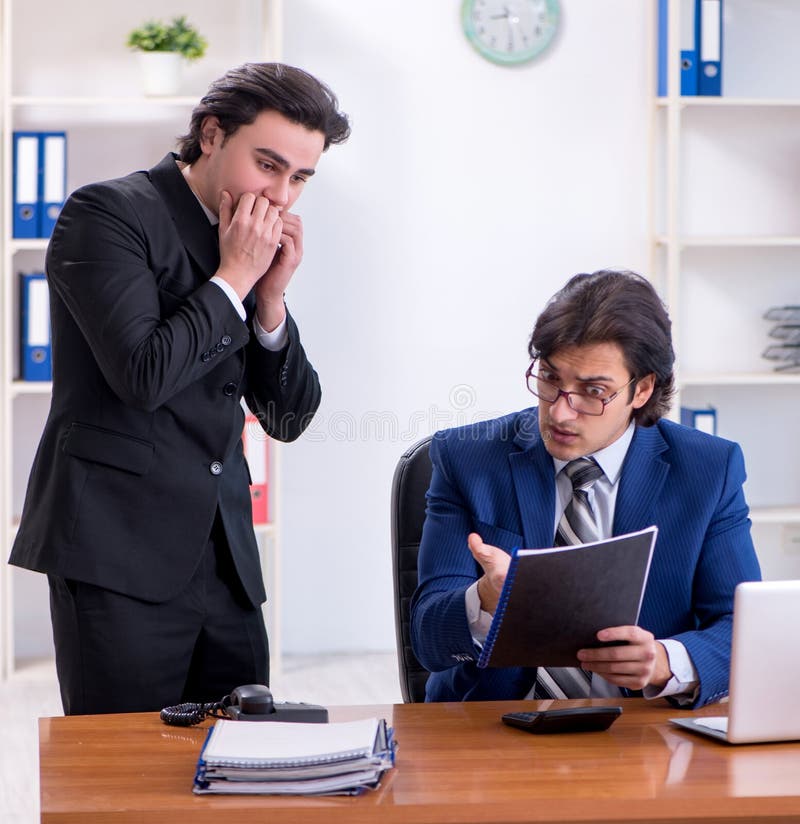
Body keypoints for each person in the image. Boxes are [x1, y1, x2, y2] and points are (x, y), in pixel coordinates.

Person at [8, 63, 350, 714]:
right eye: (268, 164)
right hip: (117, 557)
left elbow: (287, 415)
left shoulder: (250, 253)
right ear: (212, 134)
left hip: (226, 564)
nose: (280, 194)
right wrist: (234, 279)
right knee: (124, 783)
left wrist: (270, 301)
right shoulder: (106, 214)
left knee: (241, 767)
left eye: (299, 177)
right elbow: (144, 375)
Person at [410, 269, 761, 707]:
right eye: (551, 380)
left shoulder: (708, 469)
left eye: (593, 392)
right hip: (491, 726)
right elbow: (426, 639)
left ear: (642, 389)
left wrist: (666, 662)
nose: (560, 413)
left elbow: (741, 627)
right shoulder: (468, 459)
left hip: (642, 733)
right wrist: (483, 601)